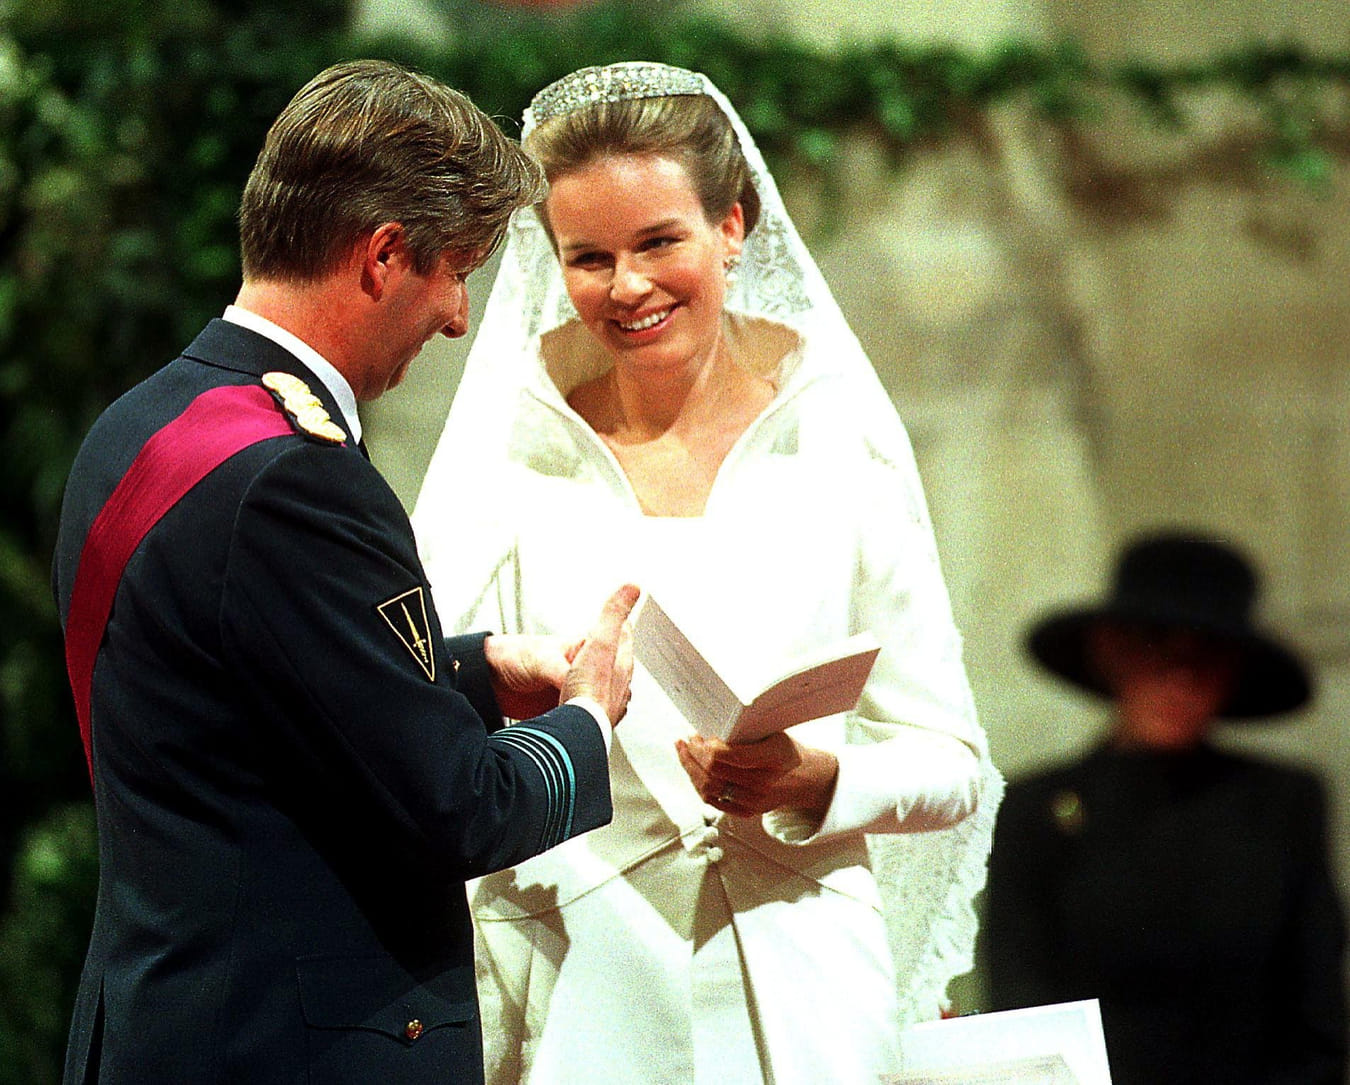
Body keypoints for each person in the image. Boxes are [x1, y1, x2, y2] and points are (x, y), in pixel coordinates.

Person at [412, 61, 1003, 1084]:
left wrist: (818, 778)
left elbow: (952, 760)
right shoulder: (513, 459)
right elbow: (426, 714)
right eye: (589, 256)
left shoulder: (835, 447)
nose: (627, 287)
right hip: (585, 988)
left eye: (658, 242)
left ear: (731, 227)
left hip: (809, 993)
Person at [50, 59, 639, 1085]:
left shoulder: (141, 421)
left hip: (172, 1015)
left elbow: (250, 700)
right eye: (456, 271)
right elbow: (458, 807)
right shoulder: (295, 477)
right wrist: (588, 718)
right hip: (284, 1045)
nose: (458, 316)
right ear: (383, 255)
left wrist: (474, 669)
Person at [982, 531, 1347, 1084]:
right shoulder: (1038, 810)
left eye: (1206, 655)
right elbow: (1020, 1006)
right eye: (1155, 646)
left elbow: (1316, 1008)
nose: (1180, 676)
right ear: (1109, 651)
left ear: (1234, 672)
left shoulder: (1281, 802)